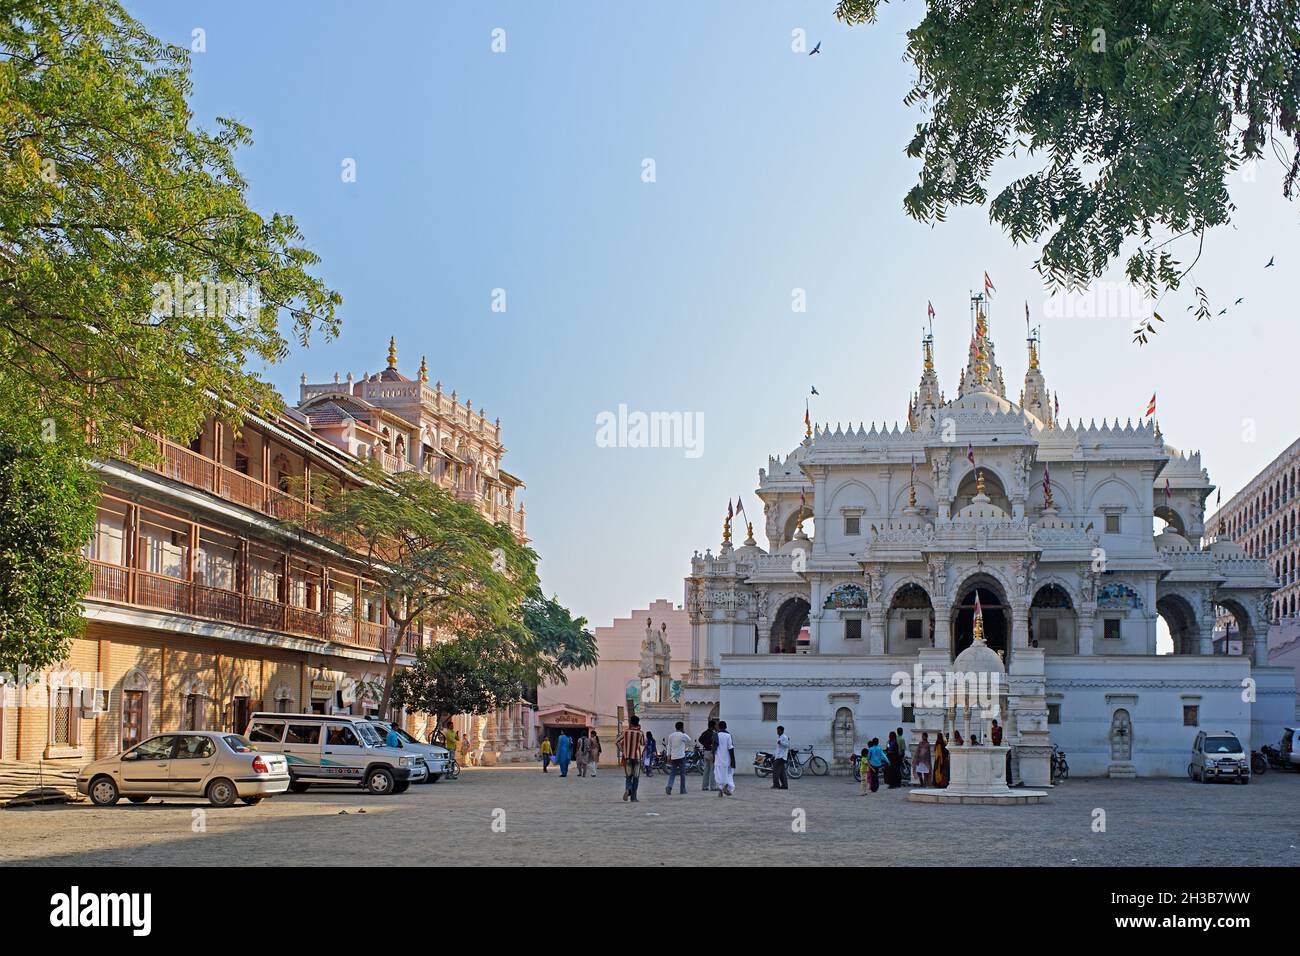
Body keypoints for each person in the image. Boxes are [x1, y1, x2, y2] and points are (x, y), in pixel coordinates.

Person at [618, 716, 646, 802]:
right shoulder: (640, 733)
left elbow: (617, 741)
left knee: (628, 776)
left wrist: (623, 750)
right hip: (636, 757)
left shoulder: (625, 732)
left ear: (630, 722)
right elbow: (643, 743)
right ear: (638, 722)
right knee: (636, 777)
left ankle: (628, 789)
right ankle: (633, 797)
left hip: (627, 757)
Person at [664, 721, 692, 795]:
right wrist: (684, 732)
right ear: (681, 727)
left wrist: (668, 755)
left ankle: (669, 786)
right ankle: (682, 790)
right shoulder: (683, 735)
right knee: (682, 774)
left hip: (673, 757)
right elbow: (689, 740)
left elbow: (669, 746)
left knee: (672, 773)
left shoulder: (671, 735)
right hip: (681, 757)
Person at [714, 720, 736, 796]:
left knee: (718, 775)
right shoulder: (728, 735)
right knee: (727, 775)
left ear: (719, 727)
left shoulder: (715, 735)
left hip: (718, 759)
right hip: (726, 759)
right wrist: (733, 759)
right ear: (726, 727)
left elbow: (713, 748)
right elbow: (730, 747)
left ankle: (720, 790)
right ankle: (725, 787)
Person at [698, 718, 719, 792]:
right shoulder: (714, 734)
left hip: (705, 752)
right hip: (711, 752)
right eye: (715, 725)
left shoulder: (705, 732)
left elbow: (700, 739)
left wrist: (705, 744)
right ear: (713, 726)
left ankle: (704, 786)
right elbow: (716, 743)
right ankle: (713, 786)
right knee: (713, 770)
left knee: (706, 770)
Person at [772, 725, 790, 790]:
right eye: (777, 730)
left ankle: (776, 785)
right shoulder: (779, 737)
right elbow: (778, 749)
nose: (777, 732)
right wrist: (774, 755)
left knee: (775, 771)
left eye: (779, 731)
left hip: (781, 757)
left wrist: (781, 743)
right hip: (778, 757)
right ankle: (785, 785)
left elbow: (787, 745)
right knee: (782, 772)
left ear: (782, 731)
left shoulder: (785, 737)